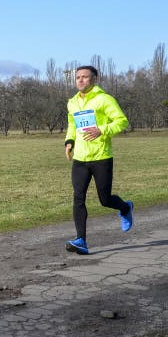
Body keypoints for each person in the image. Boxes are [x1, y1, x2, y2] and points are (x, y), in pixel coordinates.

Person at [64, 65, 133, 255]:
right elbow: (72, 125)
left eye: (85, 77)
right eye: (78, 77)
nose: (80, 80)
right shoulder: (72, 103)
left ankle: (125, 207)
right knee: (78, 197)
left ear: (94, 79)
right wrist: (69, 141)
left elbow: (122, 121)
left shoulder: (104, 99)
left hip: (101, 156)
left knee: (105, 199)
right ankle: (81, 241)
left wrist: (101, 130)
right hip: (80, 158)